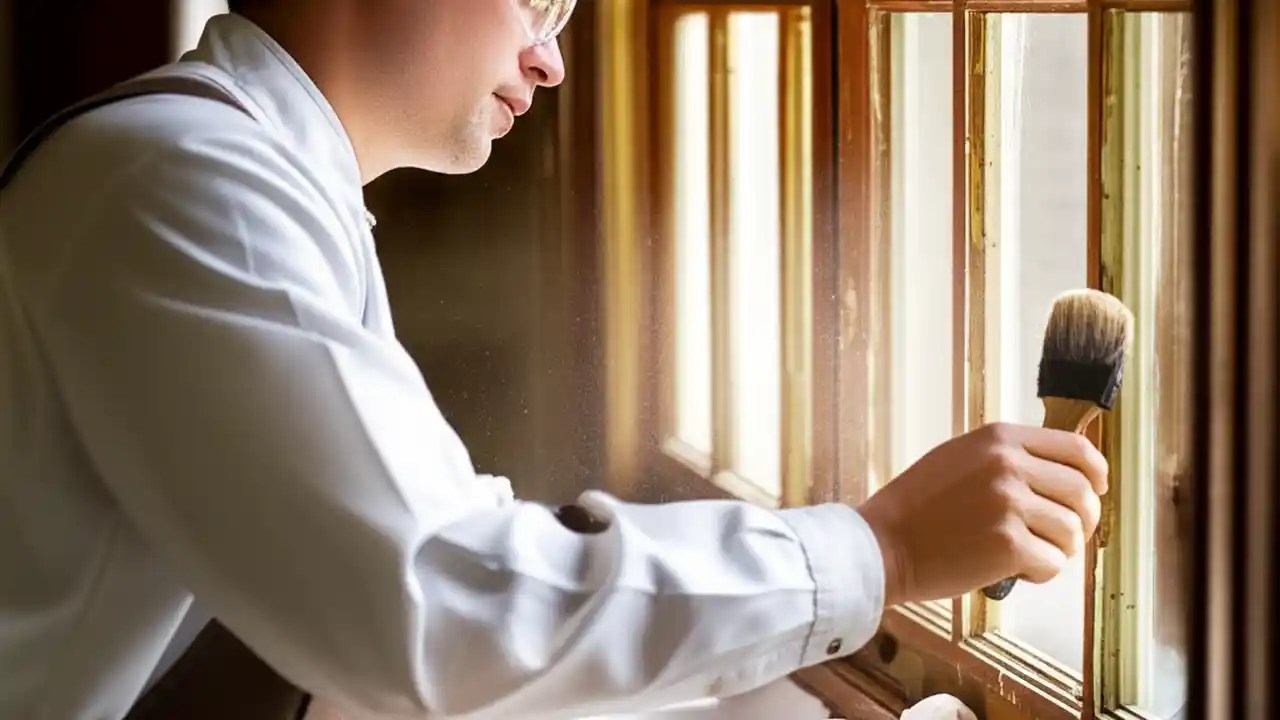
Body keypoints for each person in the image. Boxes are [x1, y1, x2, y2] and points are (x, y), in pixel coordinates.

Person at [0, 1, 1109, 718]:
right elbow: (434, 604)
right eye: (534, 2)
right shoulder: (186, 182)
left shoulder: (240, 178)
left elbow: (410, 595)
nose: (552, 58)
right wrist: (884, 550)